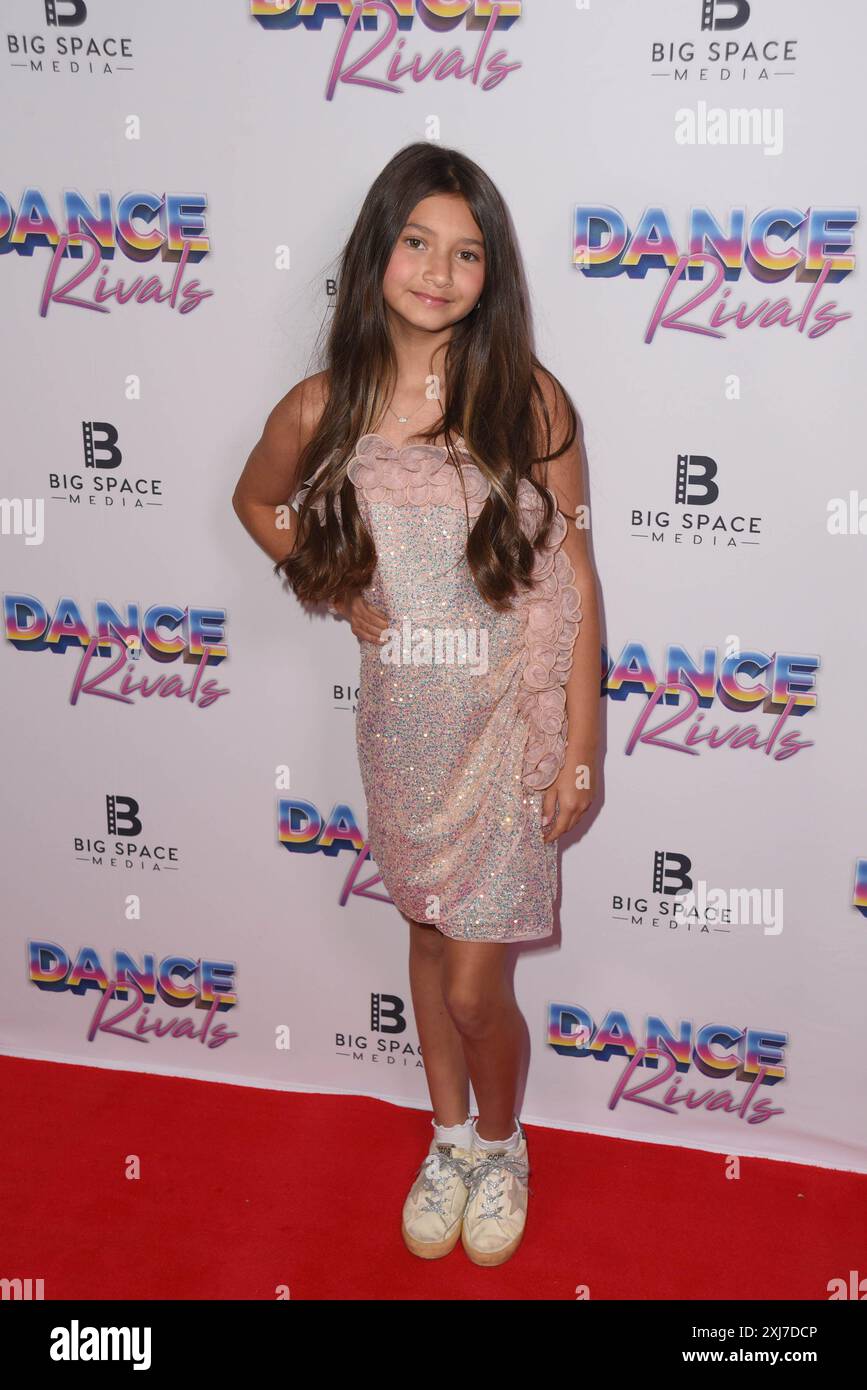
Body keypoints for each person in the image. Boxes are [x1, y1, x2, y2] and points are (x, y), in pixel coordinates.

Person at [232, 141, 601, 1268]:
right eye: (417, 243)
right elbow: (256, 500)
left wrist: (581, 742)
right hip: (402, 726)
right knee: (427, 931)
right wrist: (333, 584)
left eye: (468, 252)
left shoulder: (530, 399)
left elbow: (576, 576)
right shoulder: (325, 404)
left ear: (493, 274)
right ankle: (447, 1138)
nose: (440, 272)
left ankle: (503, 1142)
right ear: (377, 252)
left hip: (508, 726)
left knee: (480, 979)